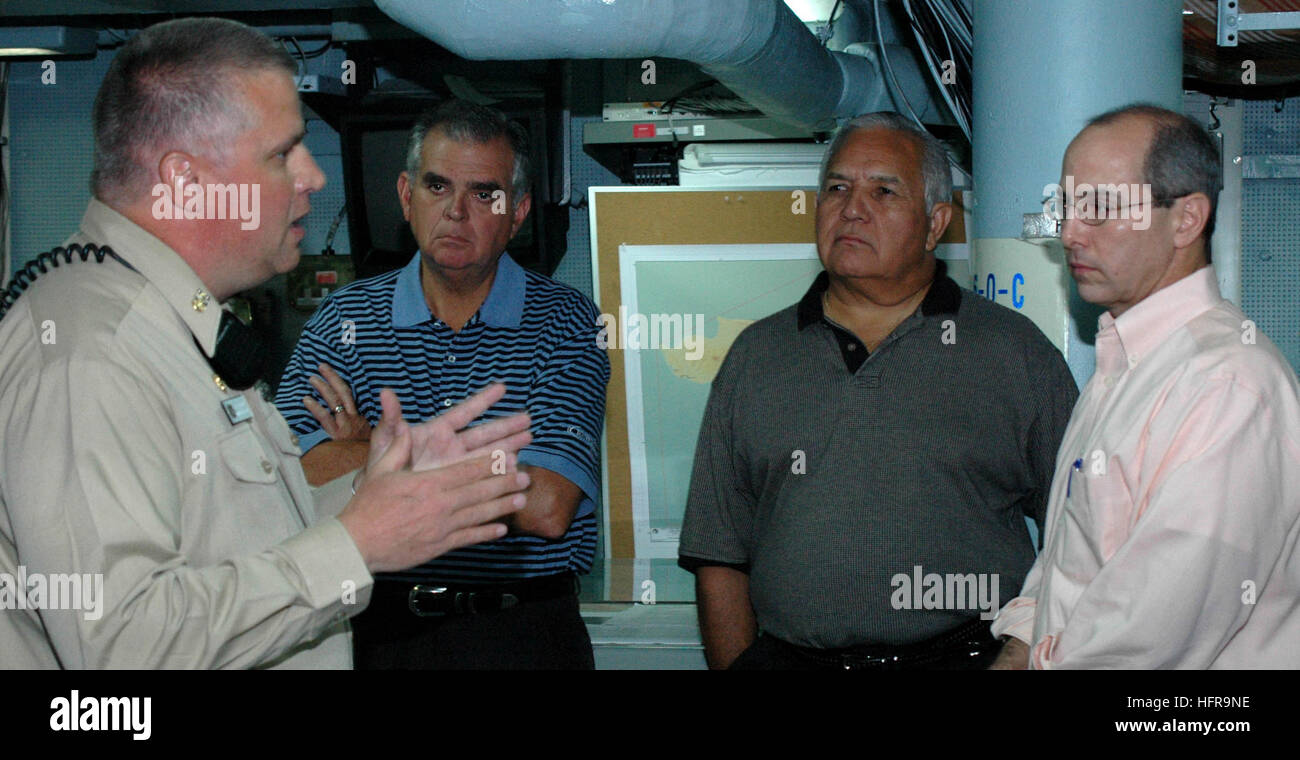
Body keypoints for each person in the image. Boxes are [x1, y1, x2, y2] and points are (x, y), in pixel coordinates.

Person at [0, 17, 535, 669]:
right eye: (284, 154)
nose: (311, 176)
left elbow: (238, 545)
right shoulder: (91, 350)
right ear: (186, 182)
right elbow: (122, 646)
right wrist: (357, 546)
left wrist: (378, 489)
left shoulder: (178, 327)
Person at [677, 111, 1079, 670]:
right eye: (837, 188)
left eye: (883, 190)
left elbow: (1081, 535)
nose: (852, 208)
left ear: (936, 222)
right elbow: (719, 549)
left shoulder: (1015, 354)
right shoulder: (756, 357)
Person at [274, 100, 610, 669]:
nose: (456, 212)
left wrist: (373, 448)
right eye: (437, 186)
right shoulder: (343, 320)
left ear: (519, 211)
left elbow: (550, 503)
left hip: (523, 636)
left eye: (484, 194)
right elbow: (288, 475)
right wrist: (489, 464)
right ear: (407, 196)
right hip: (375, 635)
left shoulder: (569, 322)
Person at [990, 104, 1300, 669]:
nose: (1069, 232)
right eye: (1066, 205)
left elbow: (1146, 639)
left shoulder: (1229, 385)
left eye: (1100, 208)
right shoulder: (1124, 361)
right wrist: (1018, 647)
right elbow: (1064, 570)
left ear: (1186, 220)